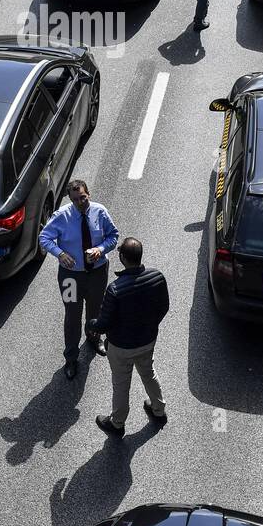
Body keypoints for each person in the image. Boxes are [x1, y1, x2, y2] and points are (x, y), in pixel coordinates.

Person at [86, 237, 169, 435]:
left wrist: (91, 323)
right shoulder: (157, 277)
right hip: (147, 341)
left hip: (121, 347)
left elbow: (104, 324)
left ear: (123, 257)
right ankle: (158, 409)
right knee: (148, 372)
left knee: (121, 384)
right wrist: (150, 326)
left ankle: (117, 423)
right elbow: (164, 307)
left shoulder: (115, 289)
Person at [39, 179, 119, 380]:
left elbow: (113, 236)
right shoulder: (62, 216)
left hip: (97, 272)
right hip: (70, 276)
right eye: (75, 199)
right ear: (70, 199)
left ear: (89, 194)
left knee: (95, 309)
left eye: (82, 197)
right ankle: (71, 358)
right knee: (72, 316)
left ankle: (93, 339)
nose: (80, 202)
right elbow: (44, 237)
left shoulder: (100, 212)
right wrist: (60, 253)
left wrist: (100, 249)